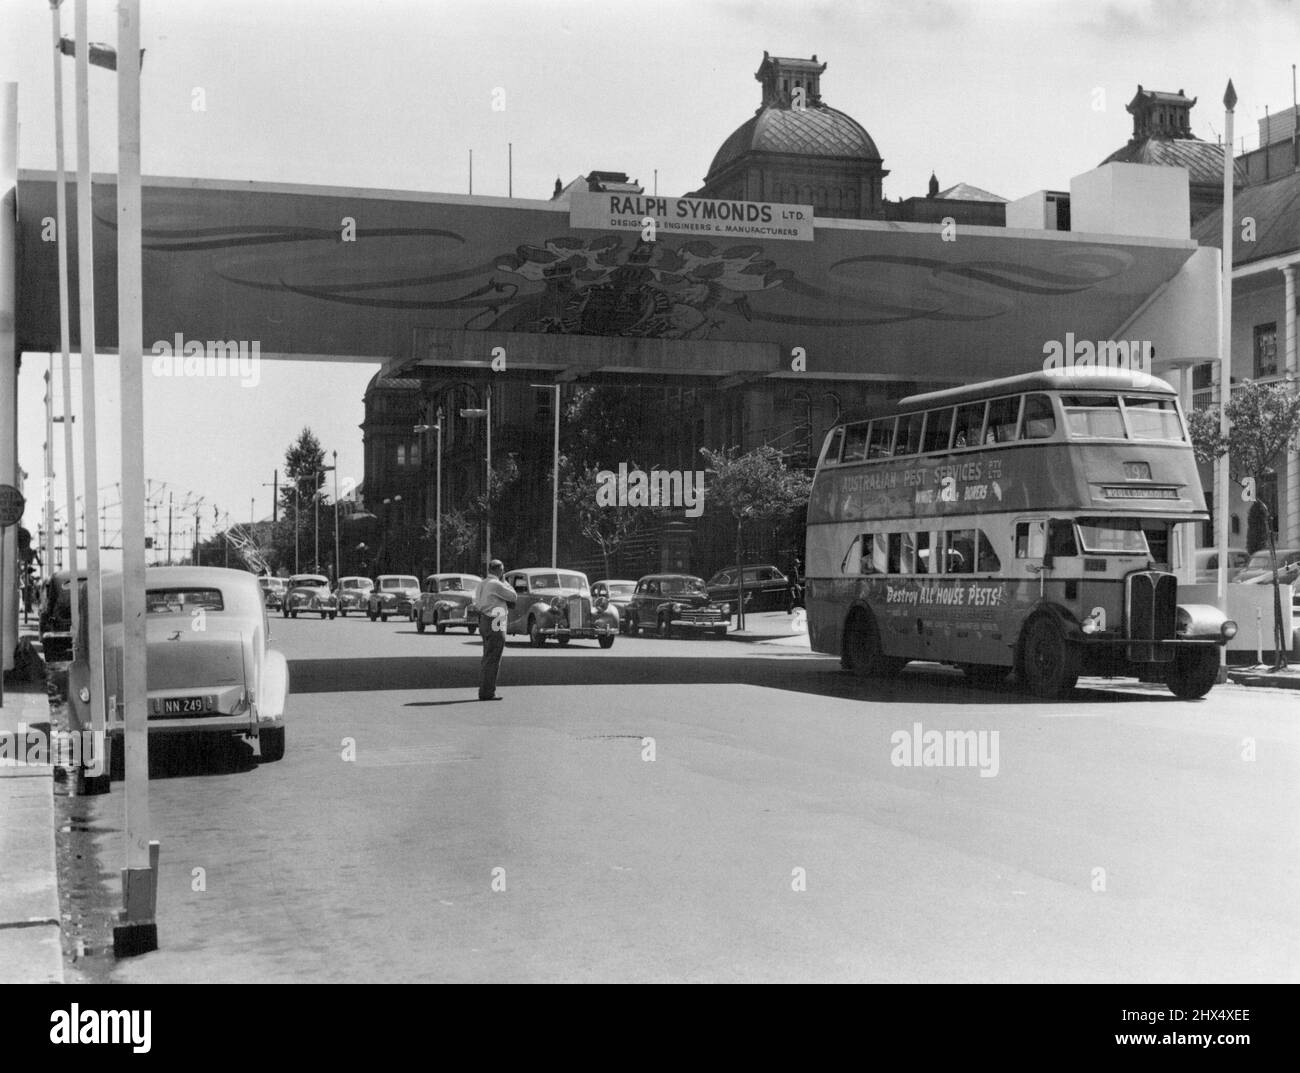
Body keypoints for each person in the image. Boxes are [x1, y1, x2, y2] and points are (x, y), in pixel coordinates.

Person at [472, 559, 516, 701]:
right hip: (496, 619)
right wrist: (505, 582)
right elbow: (513, 596)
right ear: (500, 570)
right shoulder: (496, 584)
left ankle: (485, 689)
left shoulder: (482, 583)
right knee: (494, 658)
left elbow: (476, 602)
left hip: (484, 618)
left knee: (487, 656)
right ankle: (487, 691)